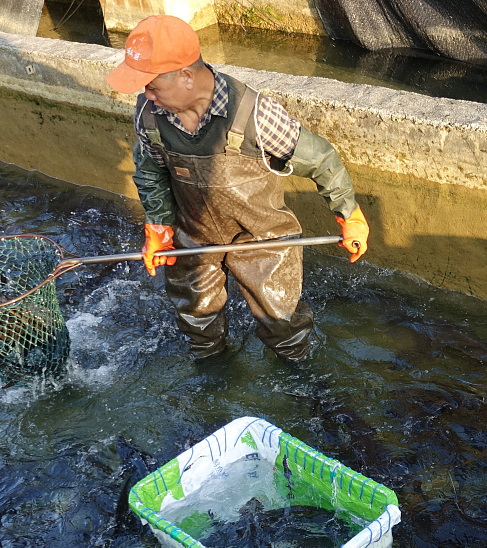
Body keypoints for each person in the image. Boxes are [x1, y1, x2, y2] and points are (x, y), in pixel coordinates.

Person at [105, 15, 370, 361]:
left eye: (152, 86)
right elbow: (150, 170)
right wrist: (158, 224)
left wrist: (349, 214)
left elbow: (321, 159)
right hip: (194, 234)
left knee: (282, 325)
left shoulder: (254, 116)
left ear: (186, 76)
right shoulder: (150, 116)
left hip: (262, 235)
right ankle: (214, 384)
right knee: (198, 326)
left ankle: (304, 387)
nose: (147, 96)